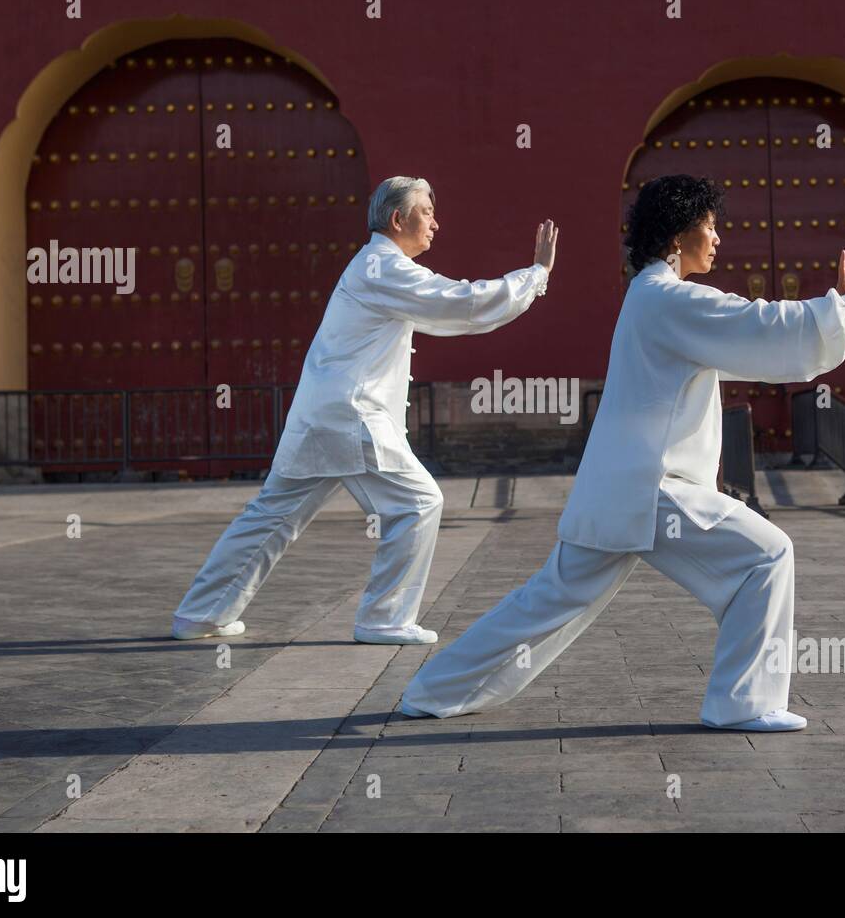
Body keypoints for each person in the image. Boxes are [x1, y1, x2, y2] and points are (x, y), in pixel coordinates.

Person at [400, 174, 845, 730]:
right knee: (766, 556)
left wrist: (842, 309)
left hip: (623, 489)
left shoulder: (652, 295)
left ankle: (432, 689)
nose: (718, 238)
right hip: (651, 489)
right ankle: (741, 704)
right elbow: (756, 323)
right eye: (710, 226)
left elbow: (744, 333)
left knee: (549, 599)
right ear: (678, 235)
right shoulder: (669, 298)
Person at [171, 176, 559, 645]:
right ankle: (384, 618)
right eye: (426, 213)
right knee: (419, 502)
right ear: (398, 220)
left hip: (321, 415)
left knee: (272, 515)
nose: (436, 223)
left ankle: (201, 614)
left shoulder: (374, 267)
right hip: (352, 415)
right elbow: (463, 303)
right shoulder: (383, 266)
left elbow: (451, 309)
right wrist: (535, 274)